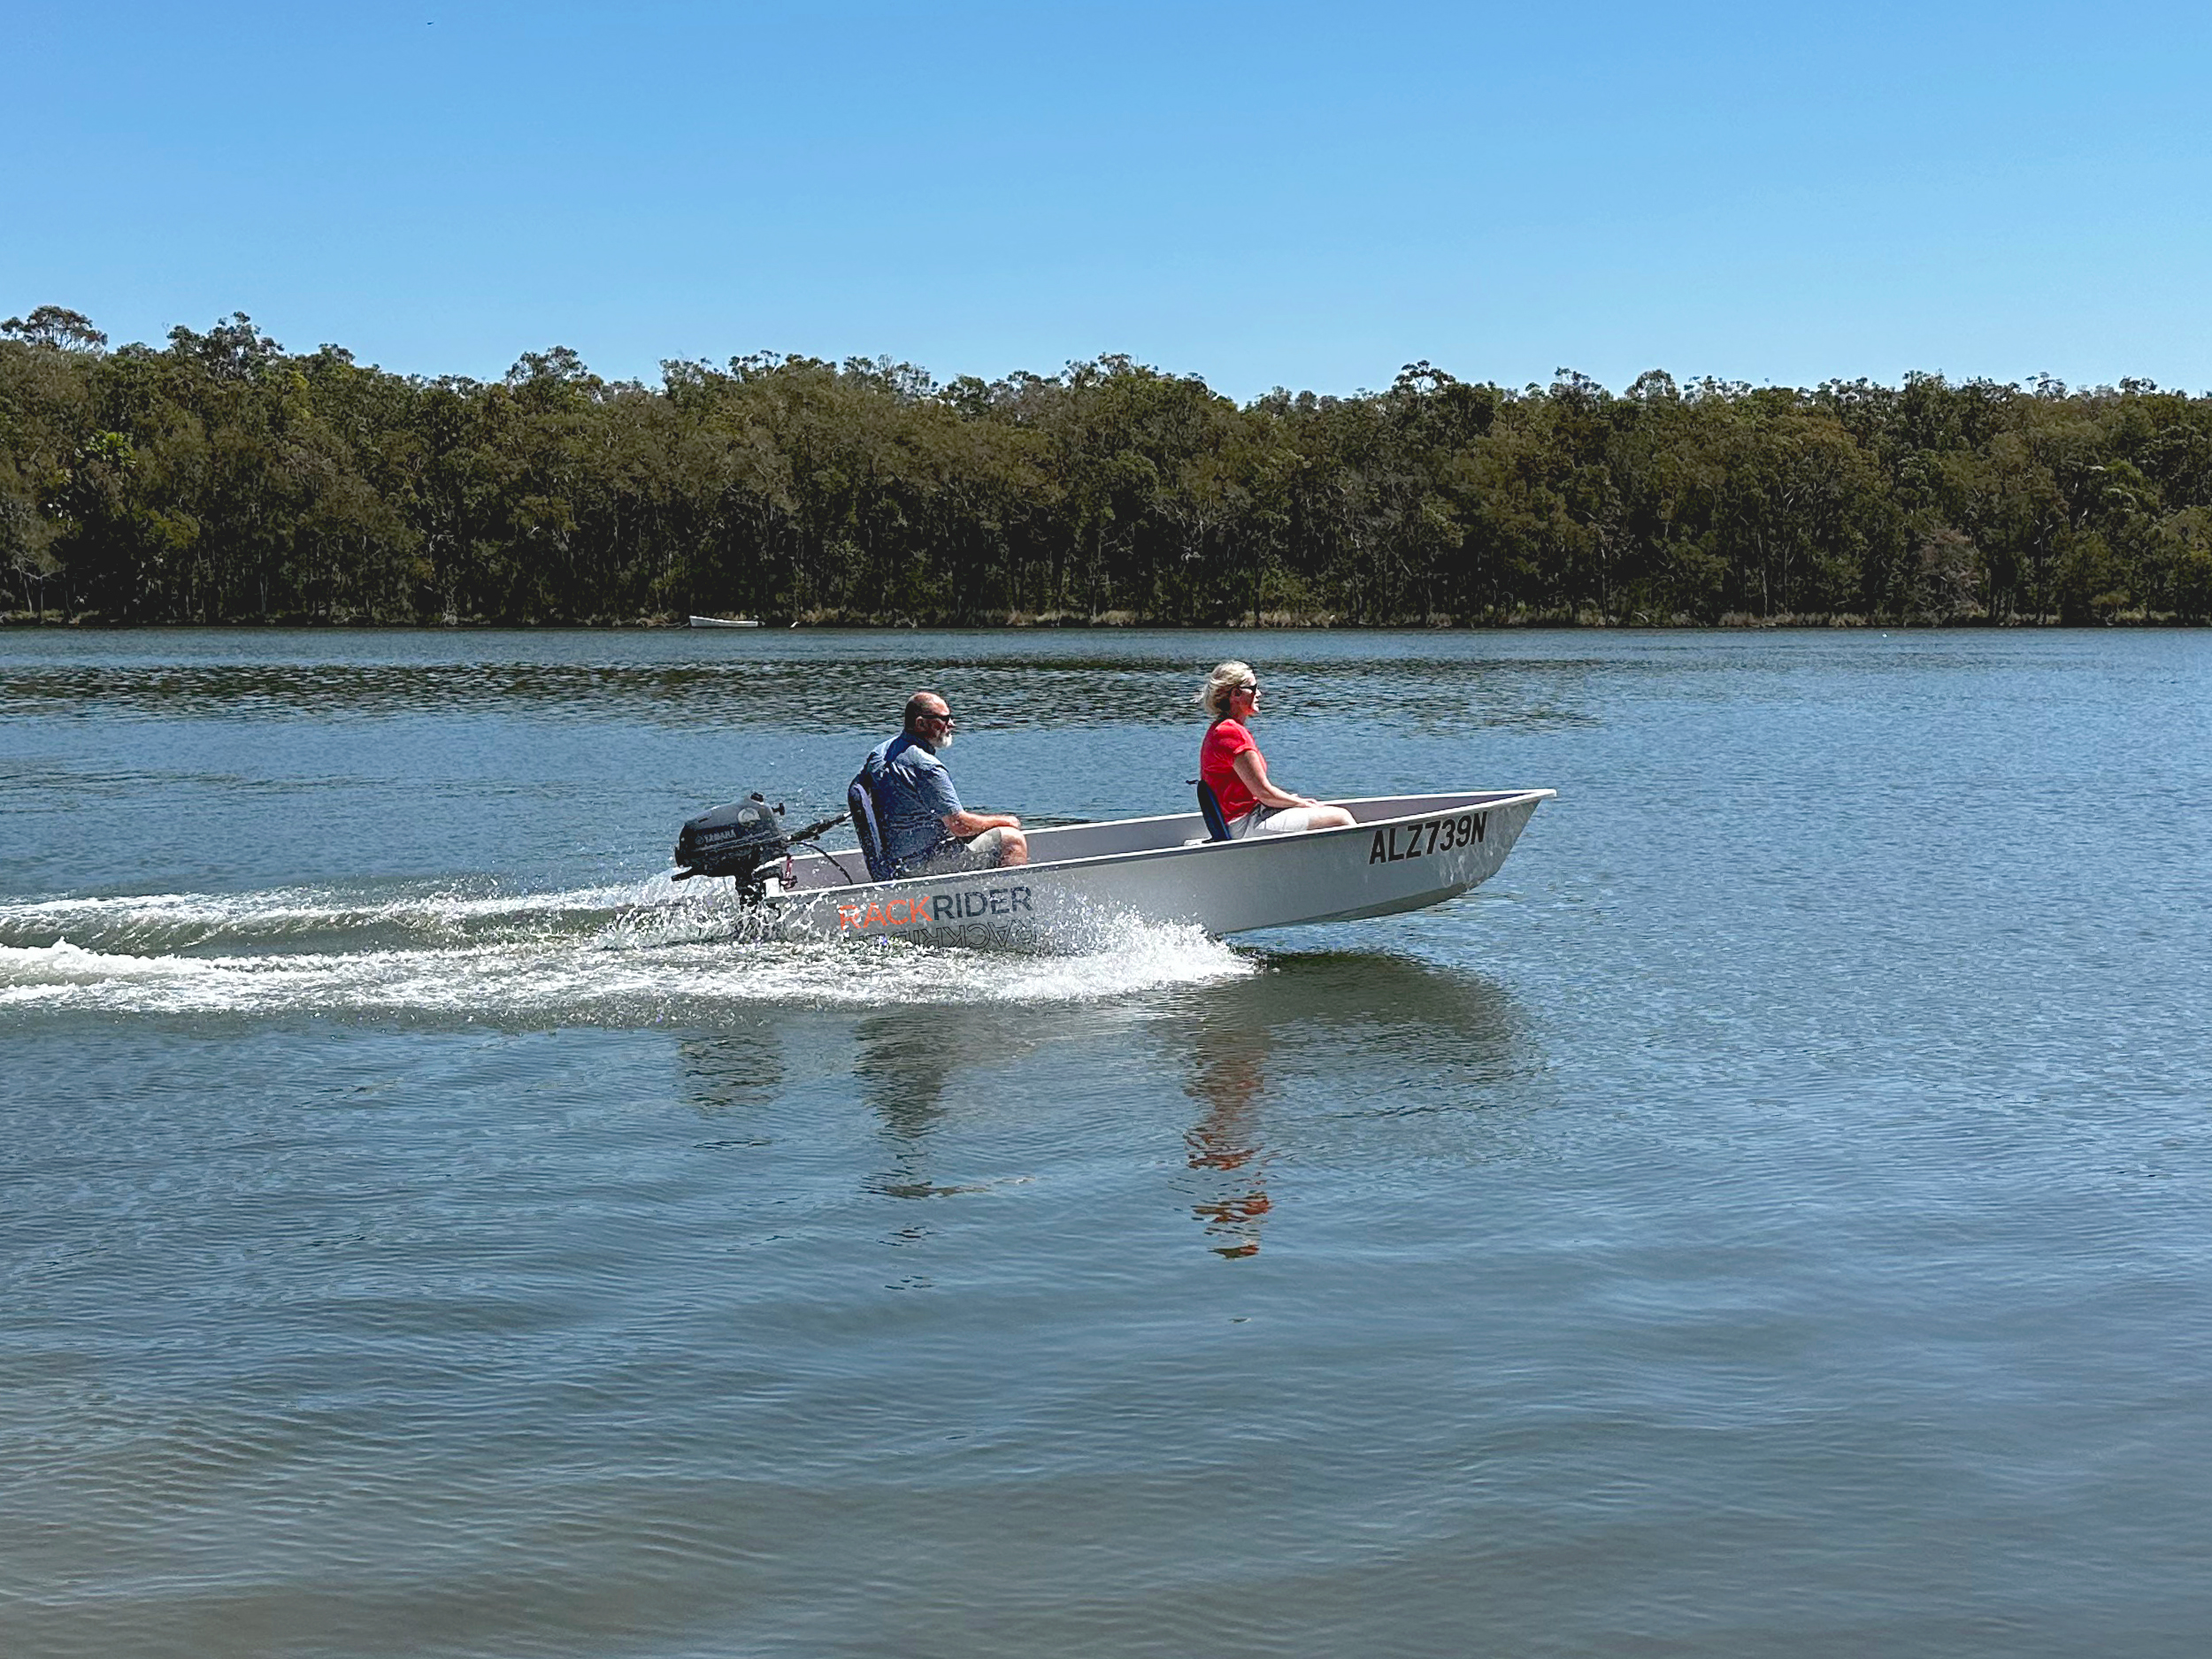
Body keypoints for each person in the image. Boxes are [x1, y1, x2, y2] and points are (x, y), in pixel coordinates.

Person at [858, 691, 1028, 876]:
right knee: (1012, 840)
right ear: (921, 724)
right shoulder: (926, 767)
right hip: (916, 866)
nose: (951, 724)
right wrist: (1007, 821)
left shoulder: (879, 753)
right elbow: (959, 825)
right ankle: (1010, 903)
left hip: (893, 862)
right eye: (944, 719)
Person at [1195, 661, 1356, 838]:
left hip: (1244, 818)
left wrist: (1293, 802)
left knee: (1320, 812)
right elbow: (1264, 793)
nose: (1259, 694)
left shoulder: (1221, 730)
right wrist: (1302, 803)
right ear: (1236, 693)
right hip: (1246, 823)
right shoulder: (1231, 733)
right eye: (1254, 688)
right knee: (1341, 817)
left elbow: (1261, 795)